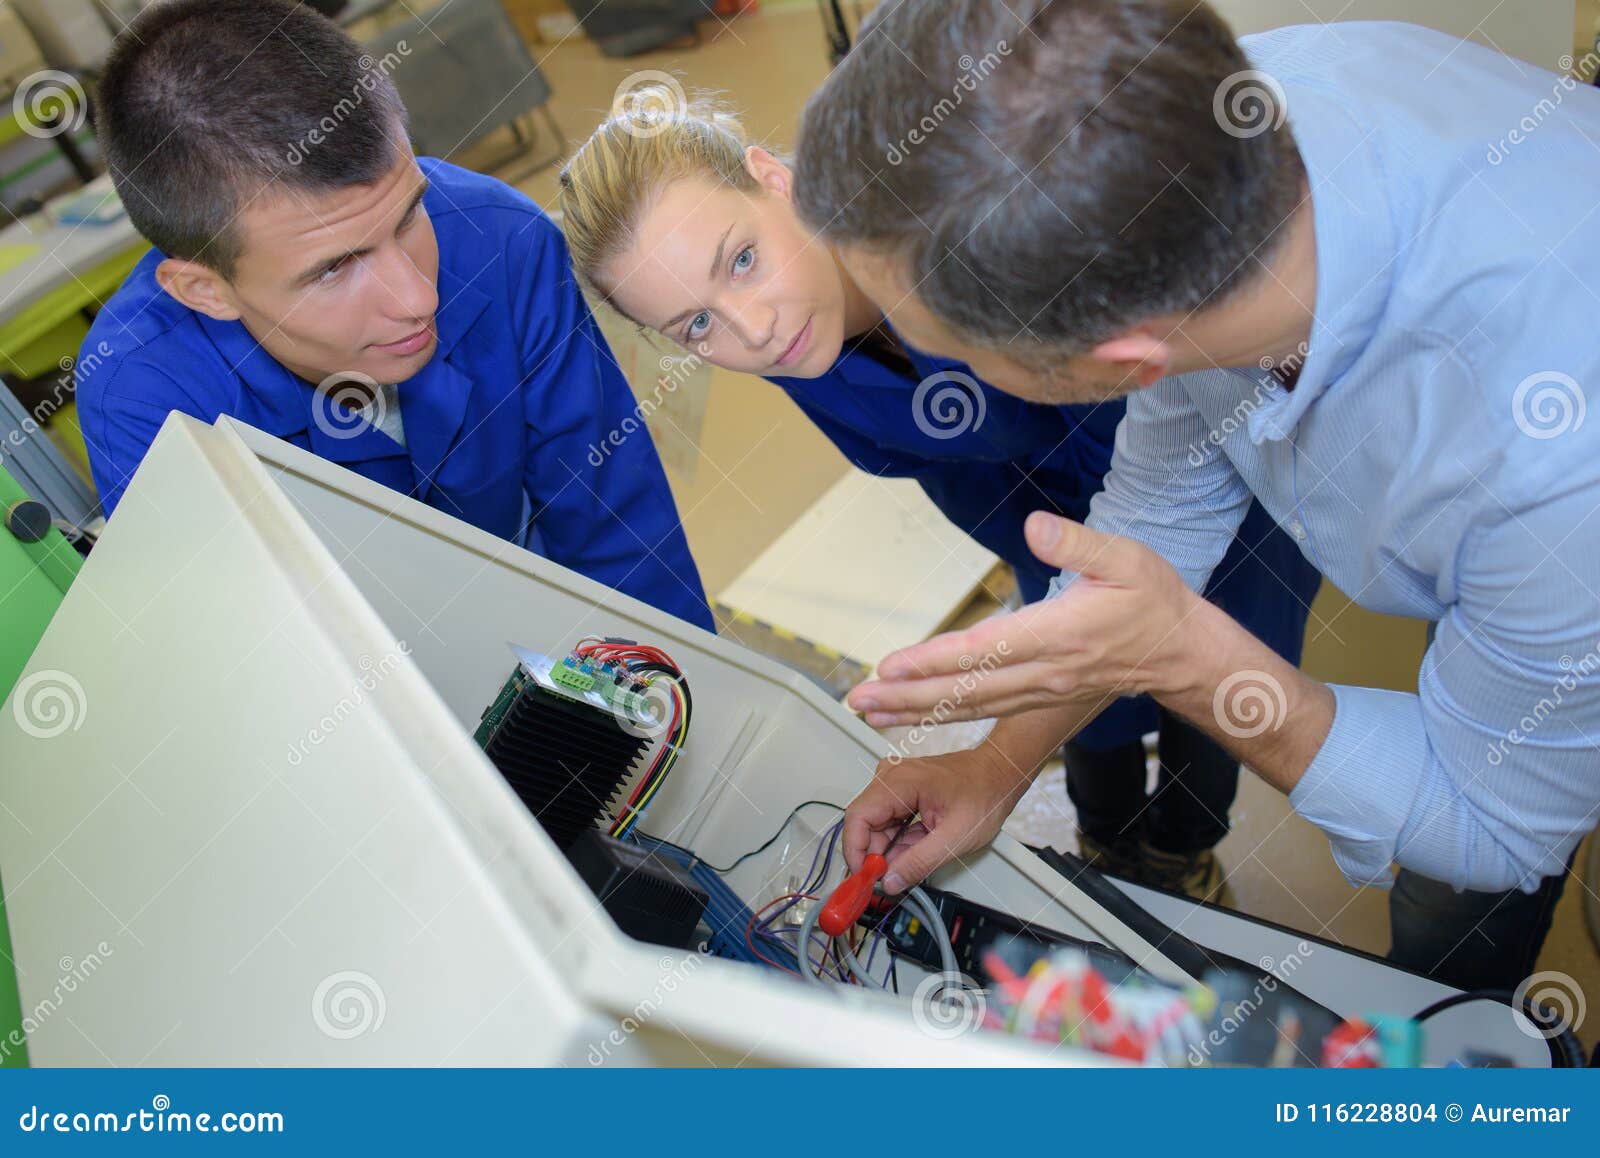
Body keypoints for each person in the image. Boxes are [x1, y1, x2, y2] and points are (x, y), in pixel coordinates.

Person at [792, 0, 1600, 992]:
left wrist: (1182, 655)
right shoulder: (1178, 148)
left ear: (1113, 365)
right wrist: (994, 767)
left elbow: (1491, 826)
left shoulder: (1553, 469)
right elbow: (1162, 503)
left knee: (1454, 918)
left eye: (945, 351)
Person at [556, 97, 1321, 900]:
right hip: (1040, 520)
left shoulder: (976, 232)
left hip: (1204, 485)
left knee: (1216, 687)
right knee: (1075, 696)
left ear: (773, 178)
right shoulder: (795, 326)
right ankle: (1110, 843)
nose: (750, 332)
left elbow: (1164, 481)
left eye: (741, 260)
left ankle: (1182, 852)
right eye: (694, 327)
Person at [77, 0, 712, 632]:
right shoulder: (145, 398)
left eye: (409, 216)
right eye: (334, 268)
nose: (417, 300)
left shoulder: (502, 241)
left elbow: (621, 538)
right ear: (204, 290)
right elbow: (255, 653)